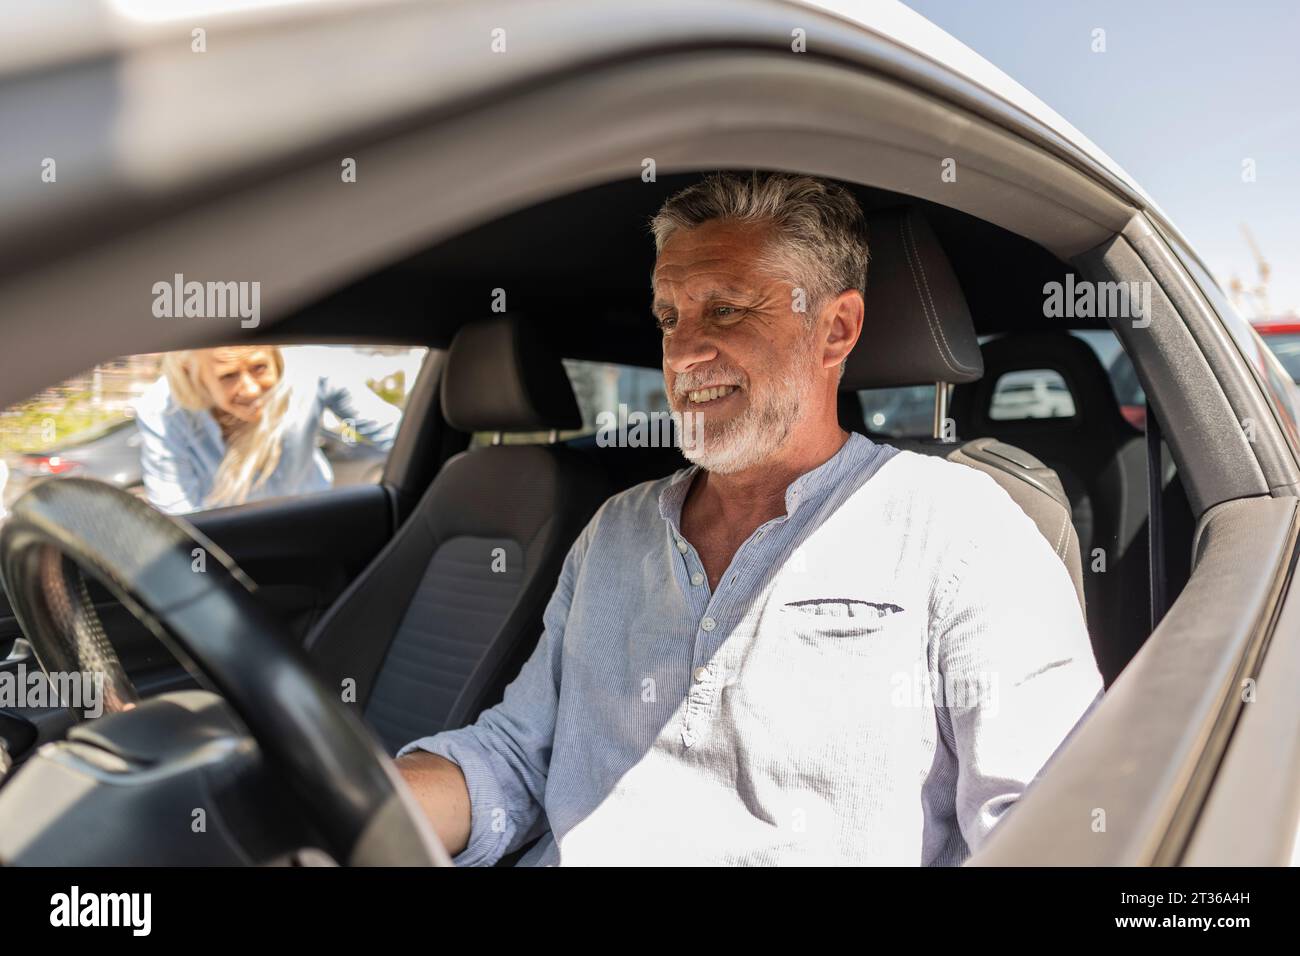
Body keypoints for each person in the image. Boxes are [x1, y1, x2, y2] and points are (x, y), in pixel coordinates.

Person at [395, 172, 1104, 865]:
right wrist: (369, 806)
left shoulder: (960, 529)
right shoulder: (616, 531)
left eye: (727, 309)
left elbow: (1046, 824)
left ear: (837, 328)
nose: (682, 353)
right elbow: (520, 756)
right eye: (669, 317)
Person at [133, 345, 401, 514]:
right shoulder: (161, 409)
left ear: (277, 358)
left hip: (310, 521)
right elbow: (176, 510)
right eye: (228, 376)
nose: (250, 389)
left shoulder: (314, 367)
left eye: (259, 368)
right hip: (226, 543)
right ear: (195, 375)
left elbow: (397, 434)